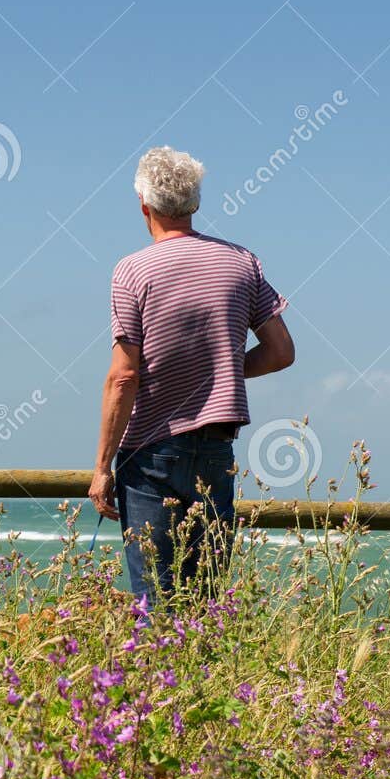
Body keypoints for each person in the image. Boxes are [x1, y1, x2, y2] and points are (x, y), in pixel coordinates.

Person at [87, 147, 295, 604]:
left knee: (155, 603)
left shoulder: (132, 271)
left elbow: (123, 378)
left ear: (144, 204)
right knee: (203, 603)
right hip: (217, 449)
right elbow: (281, 352)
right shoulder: (243, 262)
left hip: (150, 454)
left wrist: (102, 468)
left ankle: (156, 676)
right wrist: (217, 369)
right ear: (195, 203)